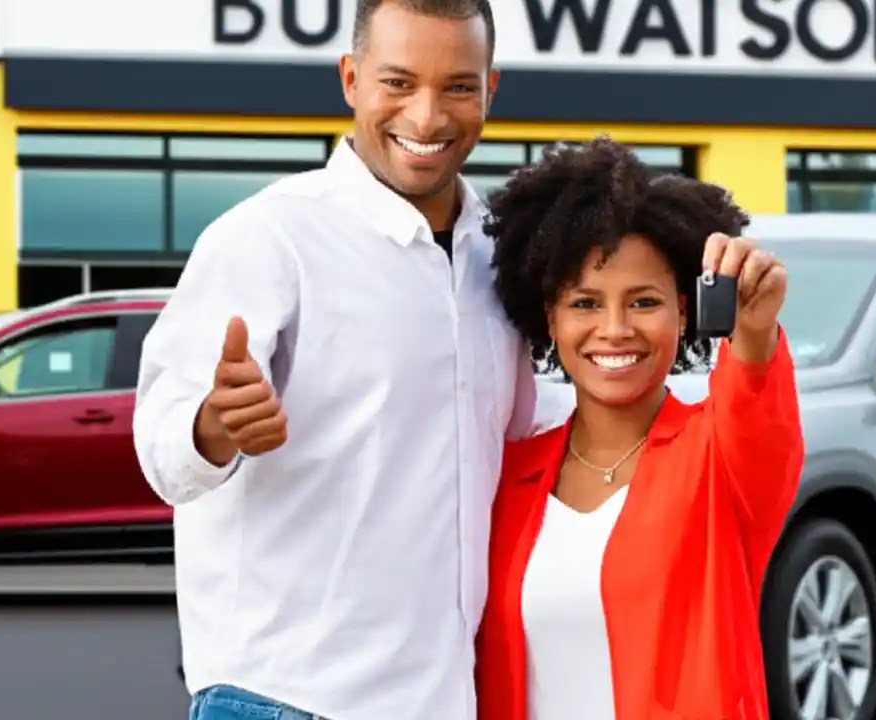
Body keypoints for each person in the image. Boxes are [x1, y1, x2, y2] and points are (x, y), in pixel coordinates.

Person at [132, 2, 539, 719]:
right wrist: (213, 425)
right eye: (399, 82)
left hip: (444, 698)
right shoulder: (269, 238)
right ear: (351, 79)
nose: (427, 116)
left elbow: (529, 437)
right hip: (287, 698)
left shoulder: (501, 258)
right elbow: (164, 449)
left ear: (491, 90)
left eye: (458, 87)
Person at [474, 136, 806, 720]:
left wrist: (753, 329)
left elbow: (756, 401)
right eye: (585, 304)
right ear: (549, 315)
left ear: (684, 311)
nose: (615, 328)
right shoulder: (507, 474)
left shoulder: (718, 459)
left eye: (644, 302)